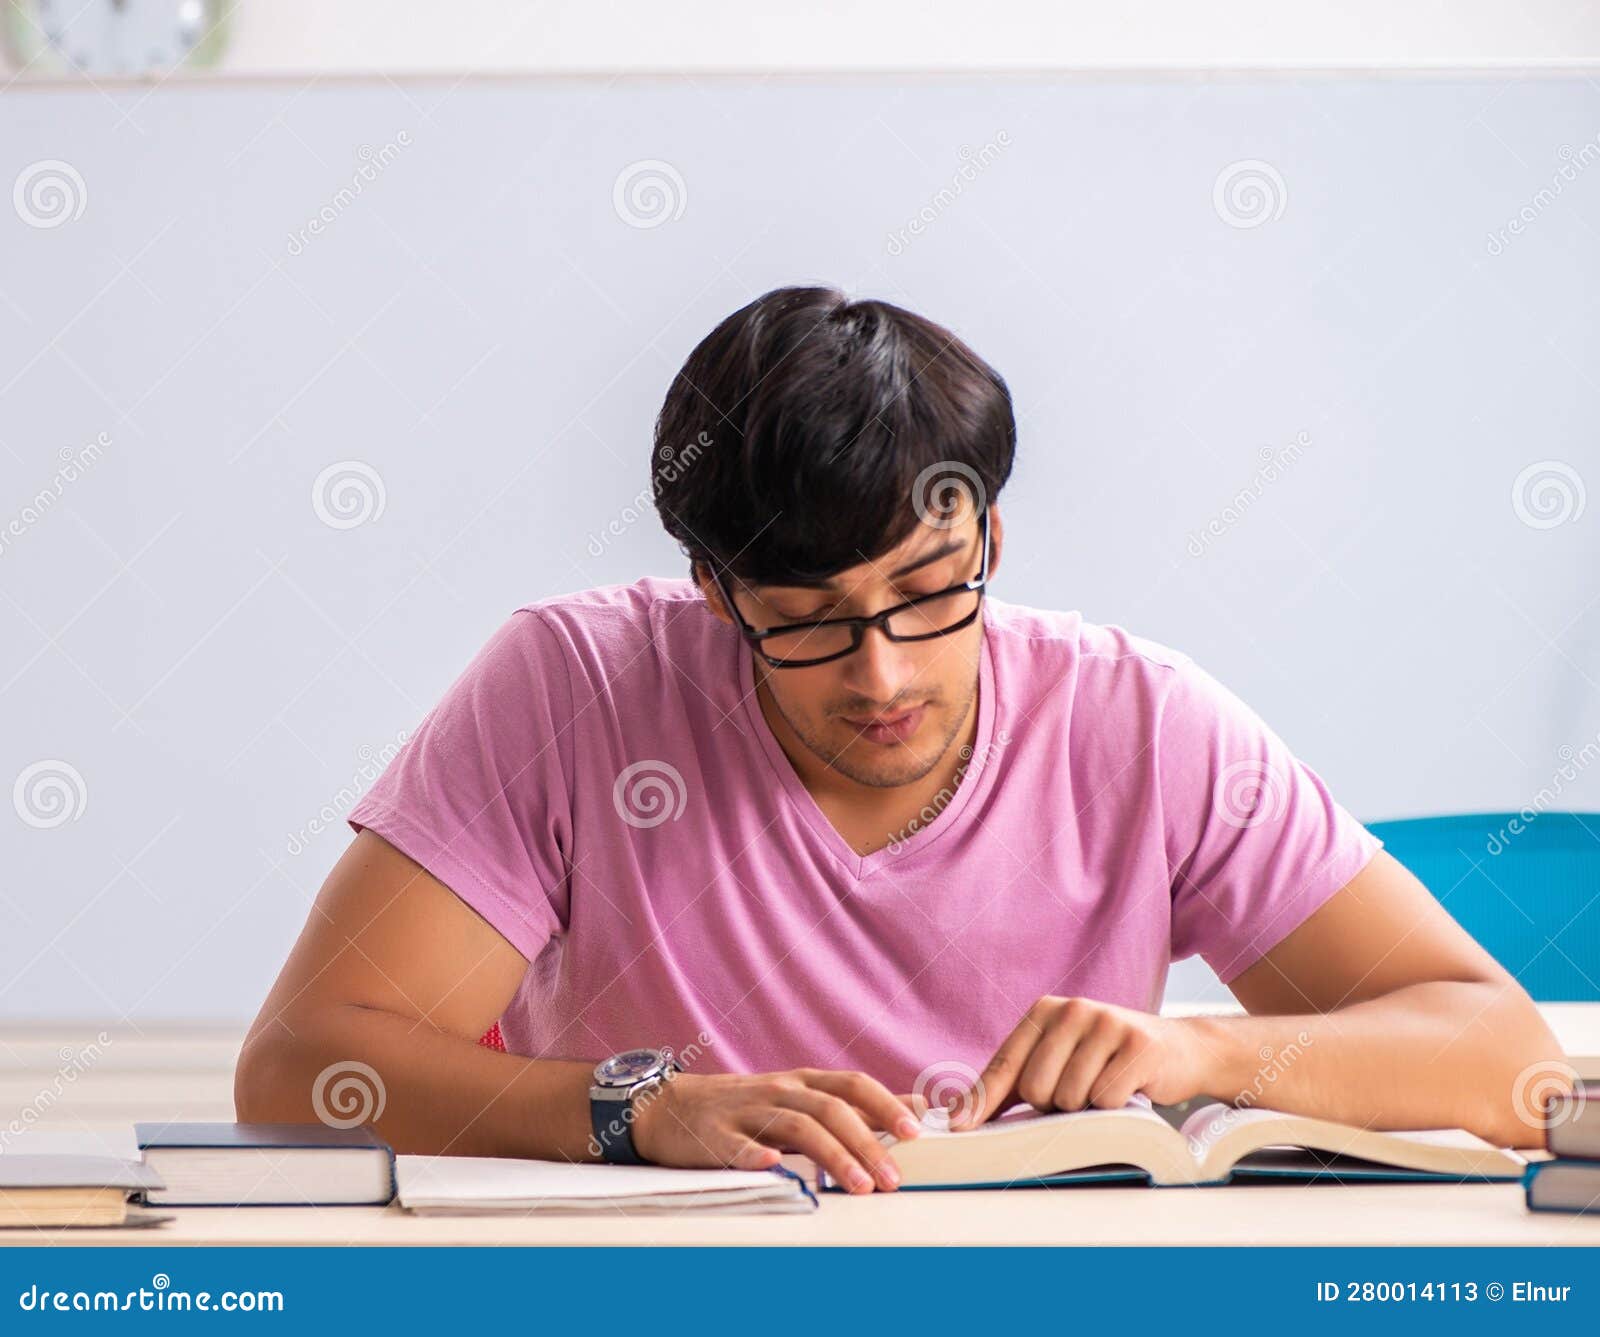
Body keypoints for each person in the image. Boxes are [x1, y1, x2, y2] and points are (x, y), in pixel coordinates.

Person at [236, 285, 1565, 1193]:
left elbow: (1505, 1057)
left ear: (990, 536)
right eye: (807, 620)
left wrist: (1203, 1051)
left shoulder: (1144, 724)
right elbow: (299, 1069)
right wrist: (636, 1109)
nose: (883, 673)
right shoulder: (575, 683)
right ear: (714, 594)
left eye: (929, 594)